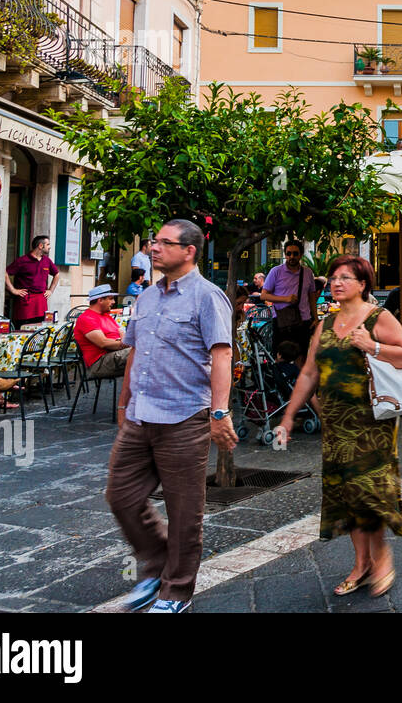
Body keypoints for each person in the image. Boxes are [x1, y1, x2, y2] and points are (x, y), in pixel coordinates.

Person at [108, 219, 237, 614]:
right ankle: (156, 561)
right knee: (121, 495)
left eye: (164, 243)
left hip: (184, 417)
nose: (154, 248)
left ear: (189, 251)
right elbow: (134, 352)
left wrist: (219, 413)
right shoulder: (145, 298)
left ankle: (176, 592)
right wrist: (122, 404)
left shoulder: (207, 297)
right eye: (154, 241)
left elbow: (222, 355)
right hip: (140, 415)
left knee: (184, 512)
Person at [276, 255, 402, 599]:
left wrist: (373, 346)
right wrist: (289, 416)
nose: (336, 283)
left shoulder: (378, 317)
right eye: (333, 278)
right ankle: (360, 563)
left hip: (372, 423)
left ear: (363, 284)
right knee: (346, 494)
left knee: (370, 490)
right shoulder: (326, 324)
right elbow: (309, 372)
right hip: (335, 424)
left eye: (345, 278)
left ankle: (381, 558)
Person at [261, 240, 316, 360]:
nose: (291, 256)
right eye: (288, 253)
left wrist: (315, 317)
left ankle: (299, 379)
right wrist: (285, 299)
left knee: (301, 357)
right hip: (282, 321)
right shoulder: (276, 271)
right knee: (280, 357)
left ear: (301, 254)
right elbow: (263, 295)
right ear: (285, 254)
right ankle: (280, 378)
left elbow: (311, 296)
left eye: (295, 253)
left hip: (303, 320)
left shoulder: (307, 273)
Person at [75, 284, 132, 380]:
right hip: (99, 364)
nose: (113, 302)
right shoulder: (86, 318)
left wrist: (123, 341)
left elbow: (121, 331)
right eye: (110, 299)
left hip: (115, 354)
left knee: (146, 354)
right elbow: (103, 343)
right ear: (100, 300)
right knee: (141, 352)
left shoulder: (106, 315)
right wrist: (125, 343)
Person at [5, 235, 60, 326]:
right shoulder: (22, 261)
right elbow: (5, 273)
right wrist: (13, 290)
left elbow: (56, 274)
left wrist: (51, 290)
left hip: (41, 301)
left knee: (40, 329)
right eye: (48, 244)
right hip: (25, 302)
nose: (49, 247)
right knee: (23, 328)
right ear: (40, 246)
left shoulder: (47, 261)